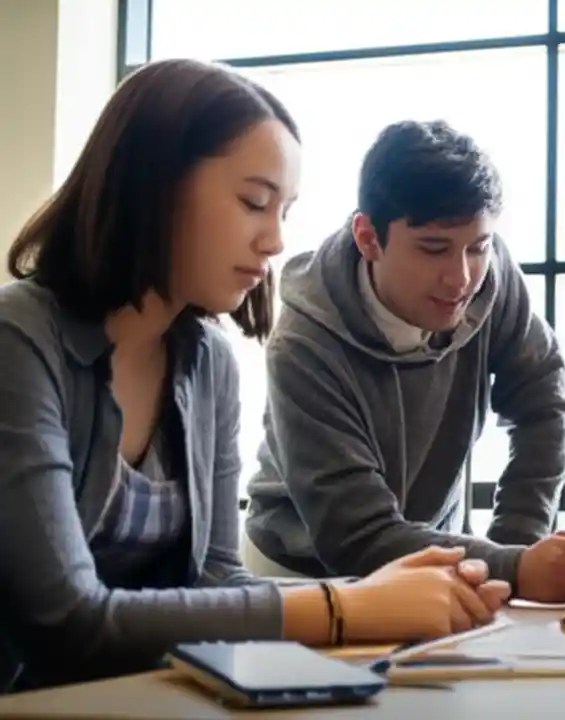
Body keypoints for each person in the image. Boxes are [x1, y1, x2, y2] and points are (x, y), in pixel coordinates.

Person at [0, 59, 509, 693]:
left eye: (285, 210)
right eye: (254, 202)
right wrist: (347, 606)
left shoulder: (206, 360)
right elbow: (64, 618)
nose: (274, 240)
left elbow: (215, 580)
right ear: (153, 185)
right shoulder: (19, 340)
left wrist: (384, 593)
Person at [244, 119, 565, 602]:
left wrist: (518, 545)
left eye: (477, 248)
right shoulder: (303, 346)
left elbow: (544, 407)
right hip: (306, 575)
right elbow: (358, 536)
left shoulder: (489, 276)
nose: (461, 278)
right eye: (433, 249)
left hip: (444, 561)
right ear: (368, 237)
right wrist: (512, 568)